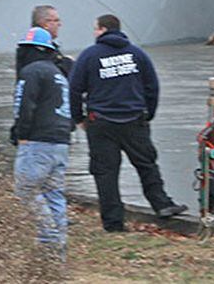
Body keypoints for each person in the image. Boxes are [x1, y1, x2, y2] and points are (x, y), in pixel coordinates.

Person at [68, 13, 187, 231]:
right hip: (134, 120)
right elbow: (152, 86)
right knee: (147, 165)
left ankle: (114, 223)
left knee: (106, 173)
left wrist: (79, 119)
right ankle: (162, 205)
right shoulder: (137, 54)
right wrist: (148, 113)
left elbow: (74, 89)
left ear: (102, 30)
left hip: (101, 122)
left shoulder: (89, 56)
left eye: (95, 29)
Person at [11, 26, 72, 258]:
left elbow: (24, 105)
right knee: (53, 194)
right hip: (61, 141)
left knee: (25, 190)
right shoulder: (57, 72)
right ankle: (59, 252)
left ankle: (49, 241)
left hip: (38, 141)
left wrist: (21, 134)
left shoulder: (31, 71)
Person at [24, 4, 73, 77]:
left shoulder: (28, 47)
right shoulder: (37, 49)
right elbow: (51, 73)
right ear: (45, 24)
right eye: (56, 20)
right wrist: (68, 62)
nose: (59, 24)